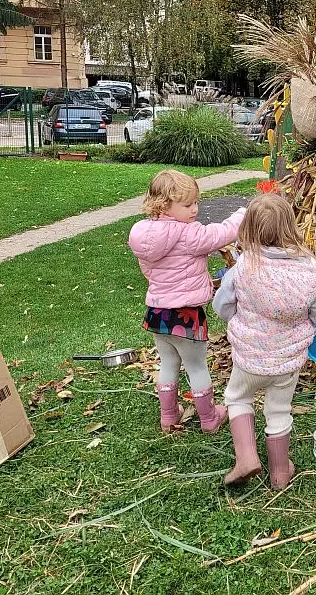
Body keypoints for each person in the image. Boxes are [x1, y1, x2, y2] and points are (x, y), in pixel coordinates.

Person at [213, 194, 316, 490]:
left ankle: (246, 458)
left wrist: (237, 316)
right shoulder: (309, 269)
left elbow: (222, 307)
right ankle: (280, 473)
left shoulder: (243, 267)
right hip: (288, 362)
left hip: (250, 359)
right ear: (290, 227)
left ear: (250, 231)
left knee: (237, 398)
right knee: (279, 411)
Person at [128, 170, 246, 434]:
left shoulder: (144, 236)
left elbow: (147, 270)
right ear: (163, 205)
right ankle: (209, 418)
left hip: (157, 313)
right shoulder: (189, 234)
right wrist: (242, 214)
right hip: (186, 315)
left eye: (196, 202)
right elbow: (221, 234)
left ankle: (169, 416)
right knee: (196, 366)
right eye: (187, 204)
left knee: (168, 363)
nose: (195, 210)